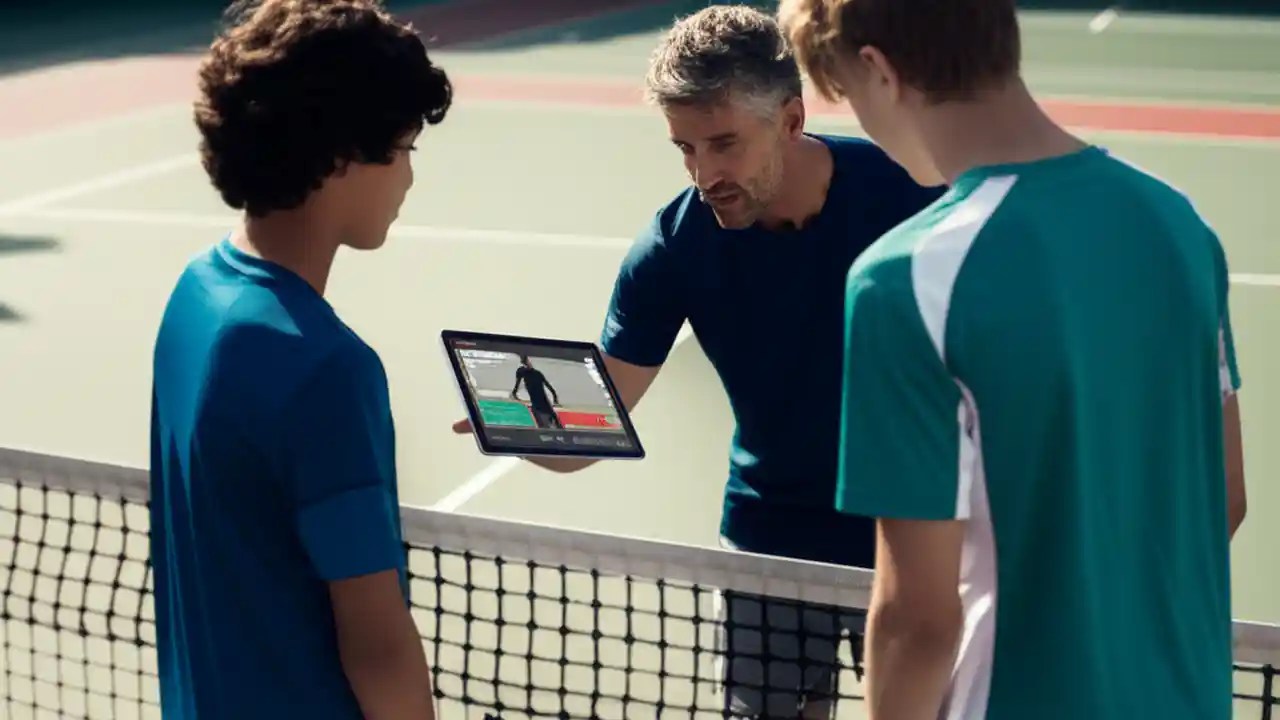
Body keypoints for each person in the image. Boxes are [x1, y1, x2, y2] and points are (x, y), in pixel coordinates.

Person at [454, 6, 942, 717]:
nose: (703, 172)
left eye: (724, 145)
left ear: (791, 119)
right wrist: (508, 419)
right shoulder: (674, 247)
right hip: (769, 538)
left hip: (913, 530)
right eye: (684, 148)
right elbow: (601, 413)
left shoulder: (909, 196)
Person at [777, 0, 1249, 718]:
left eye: (847, 97)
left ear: (878, 71)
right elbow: (1224, 500)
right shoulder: (1182, 225)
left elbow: (918, 620)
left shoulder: (906, 276)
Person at [149, 1, 452, 718]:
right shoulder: (326, 368)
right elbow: (376, 645)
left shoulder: (194, 294)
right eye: (407, 147)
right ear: (345, 156)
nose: (409, 176)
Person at [511, 354, 563, 428]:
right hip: (541, 402)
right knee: (552, 418)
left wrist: (517, 397)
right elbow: (549, 387)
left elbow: (516, 388)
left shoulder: (532, 373)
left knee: (545, 421)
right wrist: (555, 398)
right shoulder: (535, 373)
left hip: (539, 403)